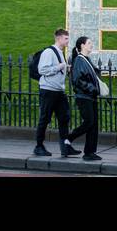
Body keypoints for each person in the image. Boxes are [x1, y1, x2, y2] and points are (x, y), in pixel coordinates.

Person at [33, 28, 80, 157]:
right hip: (48, 90)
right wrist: (59, 67)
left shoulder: (60, 52)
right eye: (65, 39)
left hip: (59, 91)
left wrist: (66, 67)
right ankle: (39, 146)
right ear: (58, 38)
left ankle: (65, 147)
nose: (67, 41)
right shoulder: (49, 52)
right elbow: (42, 70)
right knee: (45, 118)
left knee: (64, 118)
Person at [67, 36, 105, 162]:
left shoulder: (86, 59)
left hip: (90, 96)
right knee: (89, 122)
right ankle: (69, 138)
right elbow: (77, 80)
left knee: (94, 124)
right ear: (82, 45)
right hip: (84, 97)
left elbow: (92, 75)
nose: (91, 45)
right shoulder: (79, 60)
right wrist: (92, 88)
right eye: (89, 43)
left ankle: (89, 152)